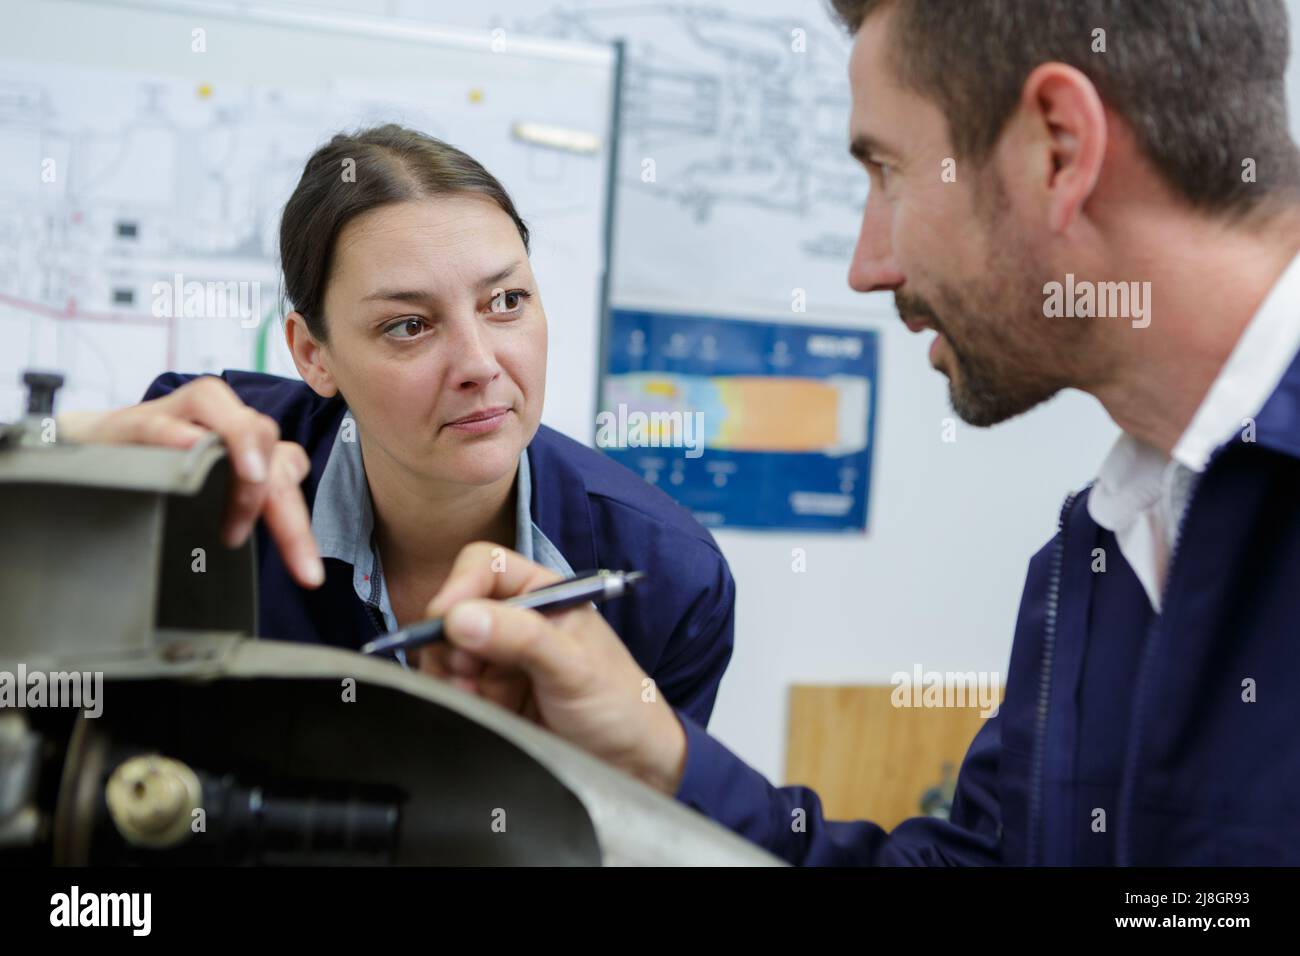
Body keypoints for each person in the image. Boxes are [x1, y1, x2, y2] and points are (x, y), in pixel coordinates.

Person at [409, 0, 1300, 864]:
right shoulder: (1101, 551)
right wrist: (659, 758)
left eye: (887, 173)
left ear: (1058, 149)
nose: (867, 266)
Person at [58, 124, 735, 727]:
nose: (479, 365)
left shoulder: (669, 580)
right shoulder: (205, 465)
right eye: (408, 325)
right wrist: (58, 454)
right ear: (312, 355)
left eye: (506, 301)